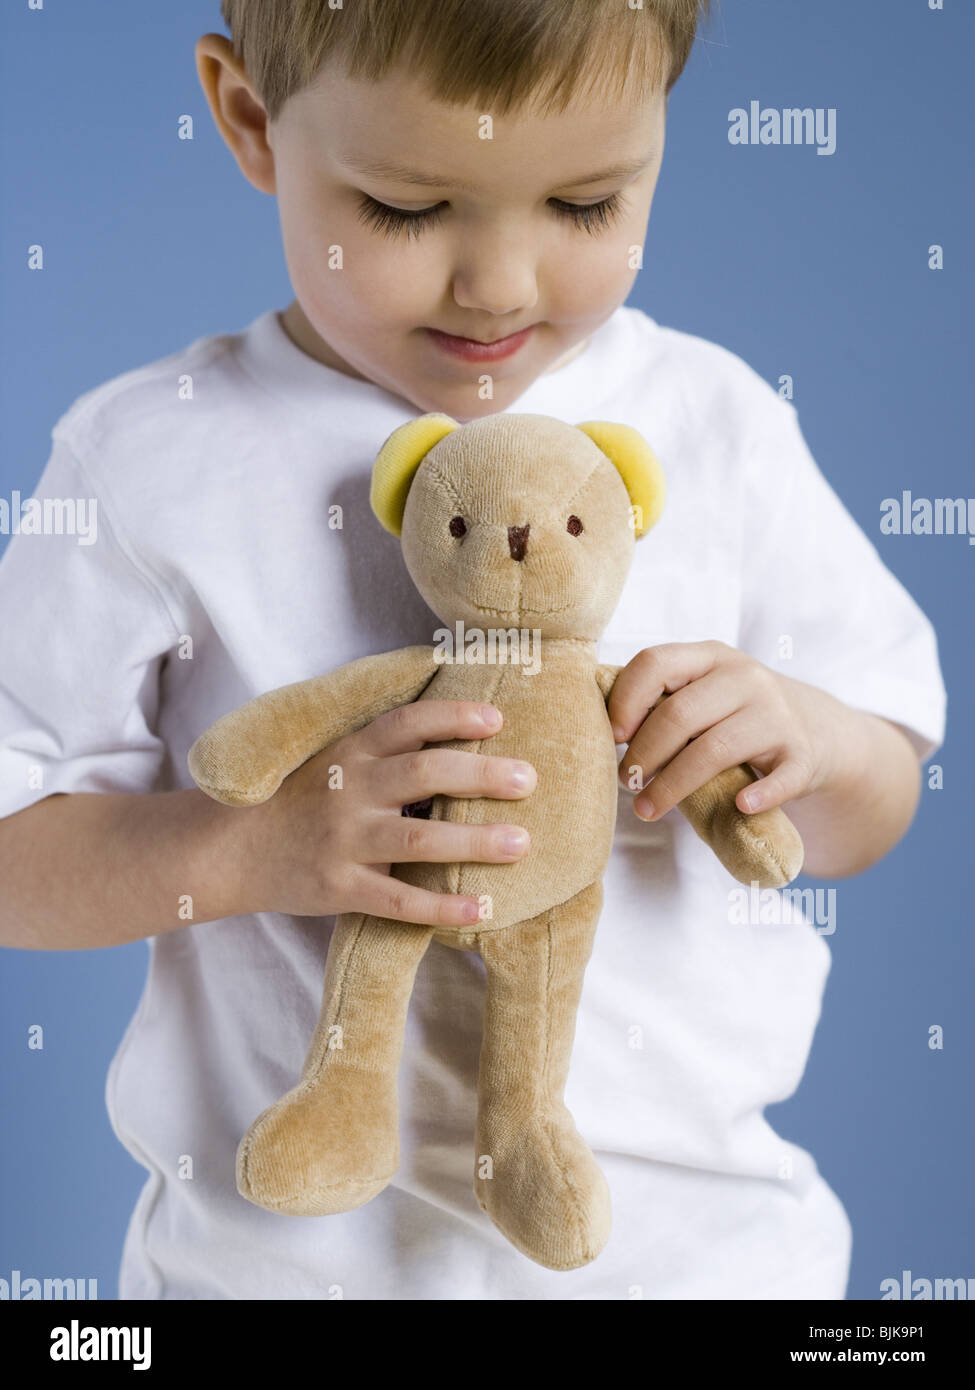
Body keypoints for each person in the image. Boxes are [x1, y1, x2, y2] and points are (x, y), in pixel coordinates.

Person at [0, 0, 946, 1300]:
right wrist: (256, 850)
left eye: (585, 202)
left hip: (704, 1267)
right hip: (273, 1272)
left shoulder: (720, 423)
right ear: (249, 117)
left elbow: (875, 791)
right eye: (404, 207)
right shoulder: (148, 460)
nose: (500, 283)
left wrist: (813, 739)